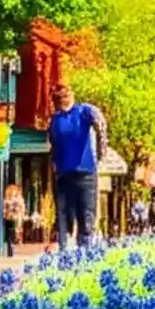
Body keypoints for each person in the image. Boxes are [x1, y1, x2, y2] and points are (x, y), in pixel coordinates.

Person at [47, 84, 109, 251]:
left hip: (84, 171)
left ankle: (84, 251)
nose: (63, 100)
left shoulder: (84, 111)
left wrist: (101, 151)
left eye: (65, 96)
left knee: (85, 216)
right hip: (64, 174)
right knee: (64, 216)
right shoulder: (55, 120)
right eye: (60, 98)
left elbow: (100, 122)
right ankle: (66, 250)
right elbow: (52, 145)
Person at [1, 182, 25, 258]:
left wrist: (5, 215)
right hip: (14, 218)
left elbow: (4, 211)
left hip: (8, 219)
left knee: (9, 234)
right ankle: (11, 247)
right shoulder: (18, 200)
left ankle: (9, 249)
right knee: (12, 233)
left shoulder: (6, 200)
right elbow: (21, 209)